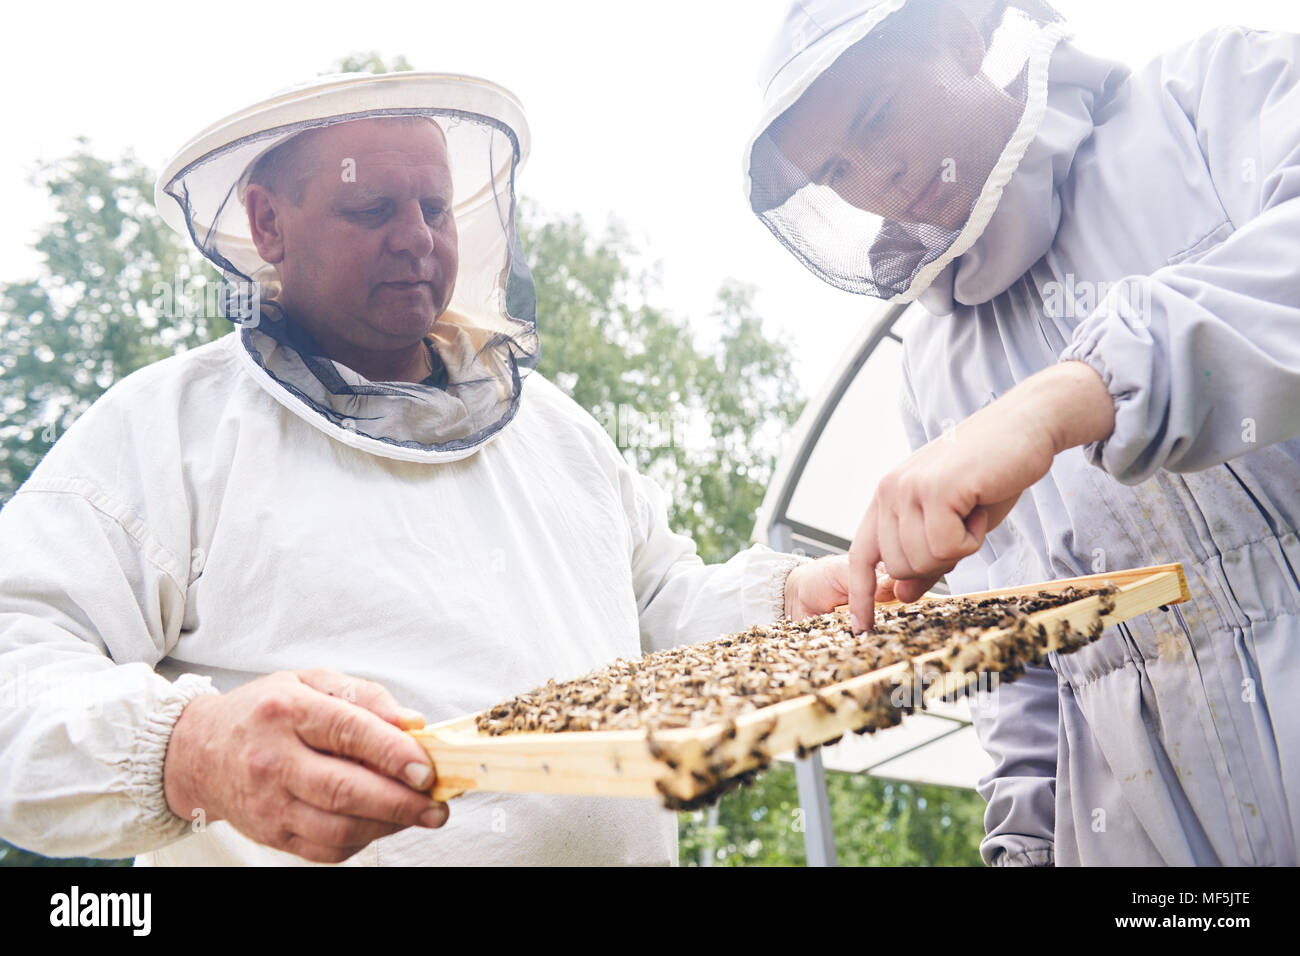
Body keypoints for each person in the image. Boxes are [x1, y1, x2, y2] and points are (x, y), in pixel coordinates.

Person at [0, 72, 849, 866]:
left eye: (435, 206)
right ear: (267, 224)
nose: (416, 239)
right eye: (371, 208)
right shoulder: (167, 430)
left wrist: (785, 606)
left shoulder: (557, 430)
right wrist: (195, 750)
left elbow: (661, 611)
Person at [745, 0, 1300, 865]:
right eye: (836, 171)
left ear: (963, 33)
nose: (879, 179)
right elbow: (1025, 661)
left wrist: (1071, 395)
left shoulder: (1209, 96)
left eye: (878, 115)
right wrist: (1024, 846)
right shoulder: (933, 370)